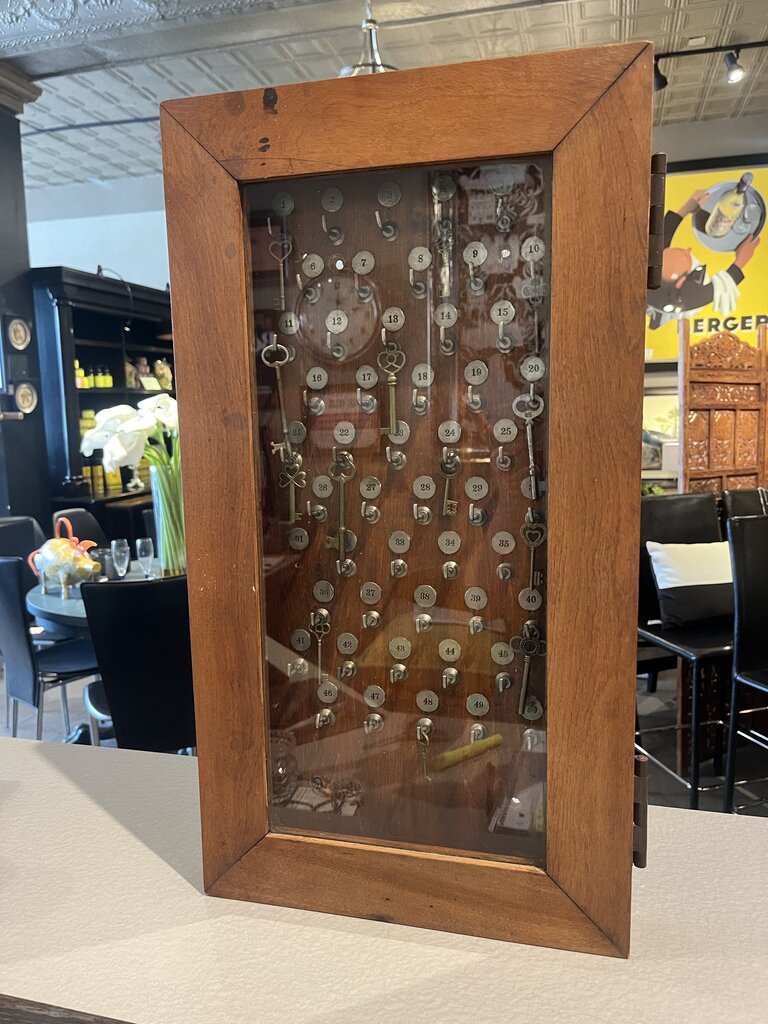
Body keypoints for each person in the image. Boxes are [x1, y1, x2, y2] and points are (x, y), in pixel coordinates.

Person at [647, 188, 760, 330]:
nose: (687, 249)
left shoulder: (652, 267)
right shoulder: (687, 296)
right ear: (682, 280)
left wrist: (686, 209)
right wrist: (741, 260)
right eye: (685, 255)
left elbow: (662, 238)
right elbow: (715, 289)